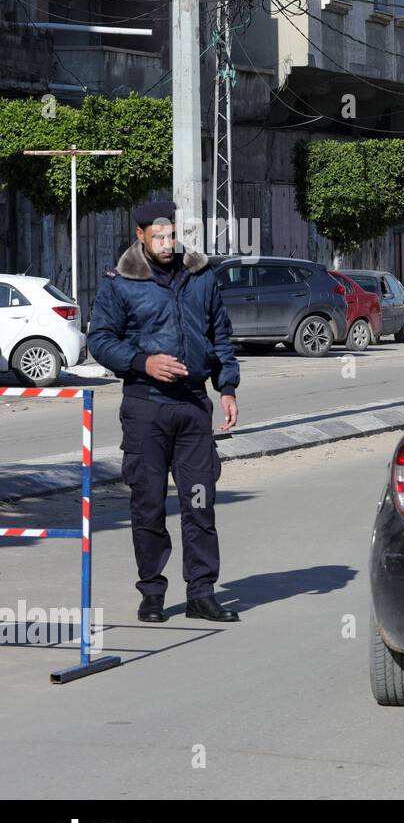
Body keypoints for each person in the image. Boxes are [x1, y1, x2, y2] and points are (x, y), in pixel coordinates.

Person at [87, 201, 241, 624]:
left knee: (199, 502)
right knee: (149, 505)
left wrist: (227, 387)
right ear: (140, 236)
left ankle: (202, 593)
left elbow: (220, 334)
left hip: (193, 409)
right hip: (145, 410)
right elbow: (99, 339)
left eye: (171, 234)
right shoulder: (121, 283)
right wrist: (143, 362)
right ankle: (152, 593)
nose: (167, 243)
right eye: (158, 237)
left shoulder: (200, 275)